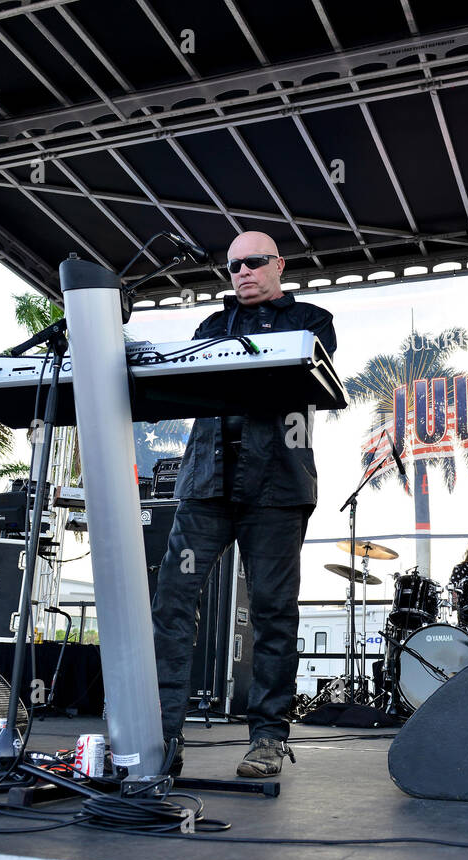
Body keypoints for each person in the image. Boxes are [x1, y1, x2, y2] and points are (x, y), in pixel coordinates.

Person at [150, 231, 336, 777]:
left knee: (274, 613)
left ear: (279, 265)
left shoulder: (312, 320)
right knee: (172, 604)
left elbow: (292, 383)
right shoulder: (211, 327)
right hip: (206, 484)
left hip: (276, 488)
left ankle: (269, 737)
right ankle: (161, 735)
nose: (242, 274)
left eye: (253, 263)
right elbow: (192, 387)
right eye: (233, 267)